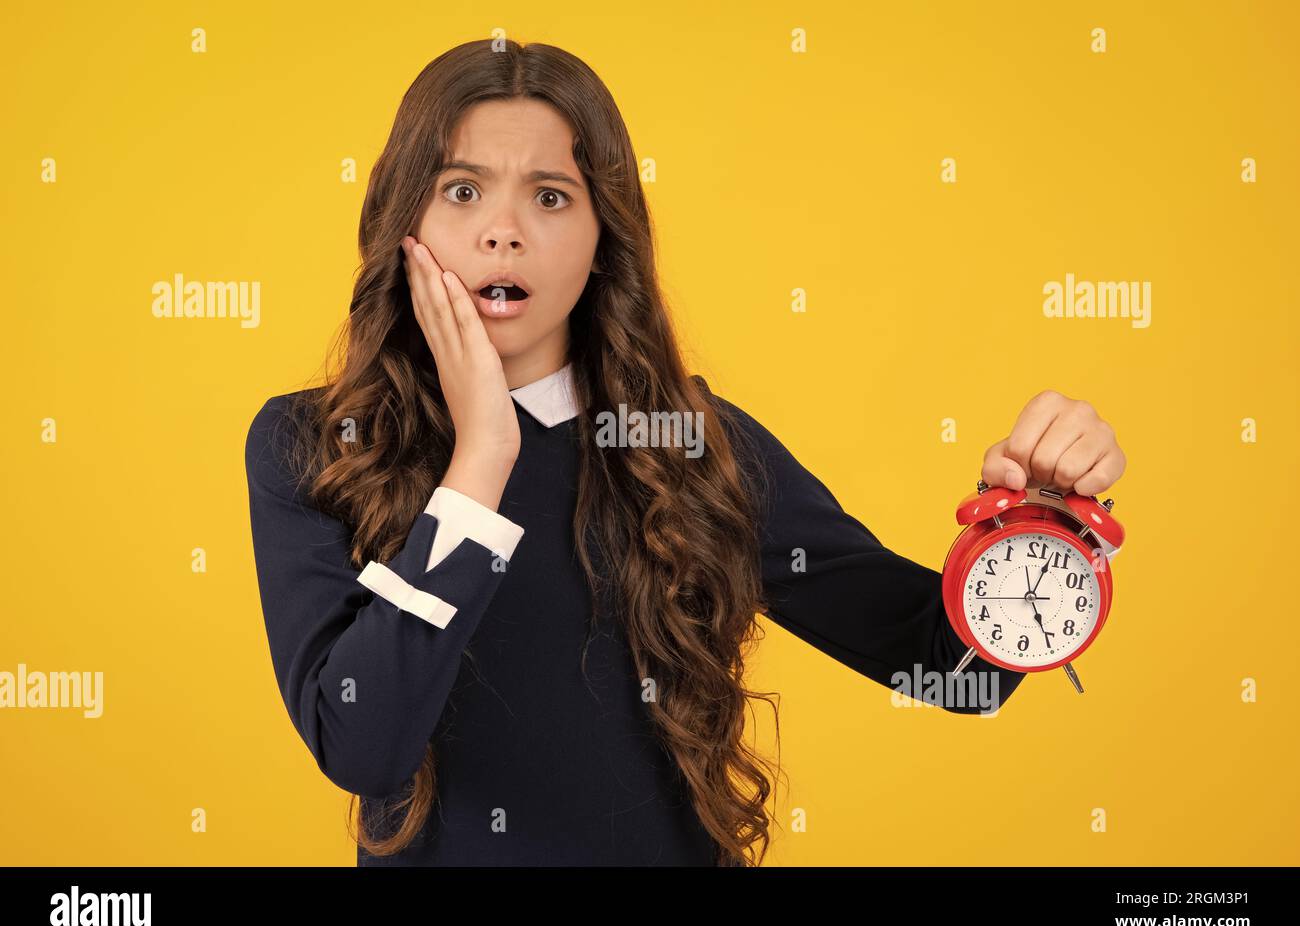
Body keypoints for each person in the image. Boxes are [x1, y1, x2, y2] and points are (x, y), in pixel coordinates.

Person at [244, 38, 1127, 867]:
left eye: (550, 196)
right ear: (406, 218)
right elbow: (362, 747)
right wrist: (481, 459)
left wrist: (1034, 529)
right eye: (463, 190)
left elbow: (947, 670)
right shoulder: (309, 446)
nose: (502, 232)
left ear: (601, 241)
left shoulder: (692, 446)